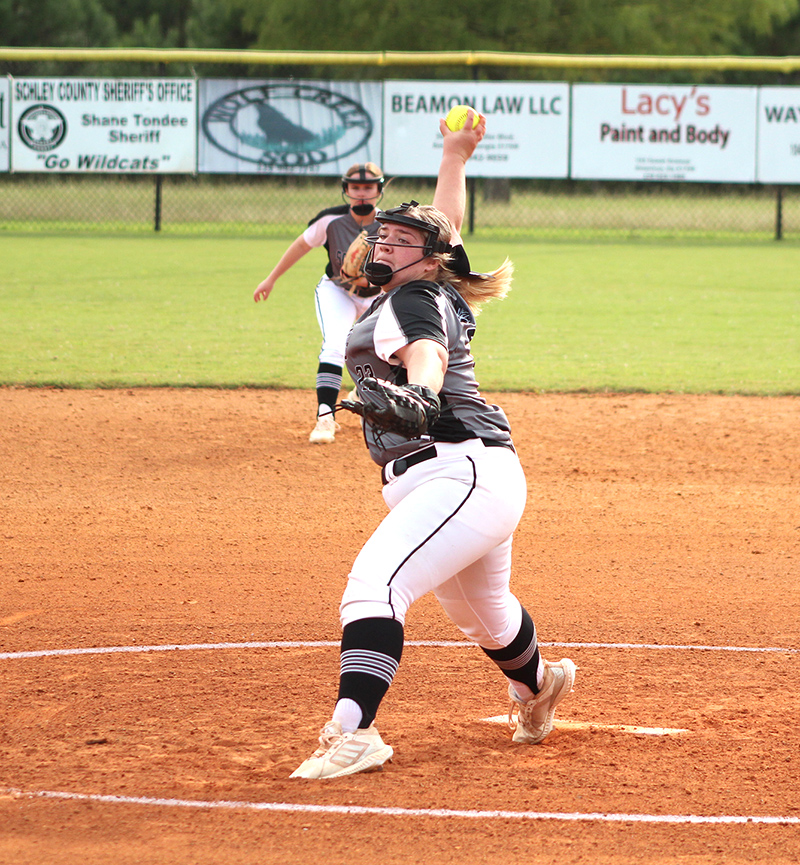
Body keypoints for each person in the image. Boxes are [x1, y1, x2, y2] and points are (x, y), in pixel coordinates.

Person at [290, 111, 577, 780]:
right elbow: (442, 225)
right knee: (487, 616)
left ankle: (353, 731)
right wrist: (454, 157)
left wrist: (419, 392)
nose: (384, 242)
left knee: (375, 584)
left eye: (400, 239)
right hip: (460, 476)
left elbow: (428, 355)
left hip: (460, 472)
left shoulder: (414, 300)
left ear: (428, 259)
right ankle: (540, 685)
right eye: (383, 234)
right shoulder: (424, 287)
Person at [254, 162, 385, 443]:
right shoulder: (330, 220)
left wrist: (370, 280)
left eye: (368, 187)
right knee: (335, 346)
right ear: (346, 190)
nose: (362, 193)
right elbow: (302, 245)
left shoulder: (391, 223)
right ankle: (325, 417)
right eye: (355, 187)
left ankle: (361, 392)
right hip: (337, 291)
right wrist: (271, 278)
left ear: (379, 190)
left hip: (378, 295)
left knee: (388, 351)